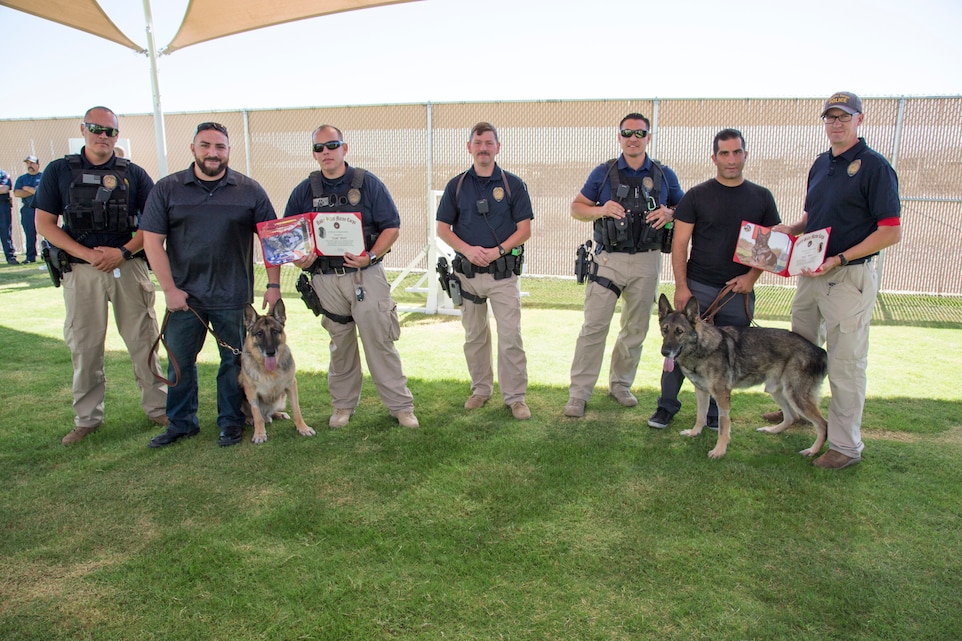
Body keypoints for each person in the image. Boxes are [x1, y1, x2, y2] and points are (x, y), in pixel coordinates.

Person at [773, 92, 901, 470]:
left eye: (844, 117)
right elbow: (814, 217)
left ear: (859, 120)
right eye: (830, 117)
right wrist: (791, 229)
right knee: (798, 353)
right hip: (813, 276)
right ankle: (799, 411)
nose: (836, 123)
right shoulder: (821, 164)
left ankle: (845, 447)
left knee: (845, 364)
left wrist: (840, 258)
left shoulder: (874, 167)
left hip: (847, 276)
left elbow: (890, 231)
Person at [140, 122, 283, 448]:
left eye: (220, 147)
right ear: (193, 148)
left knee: (233, 363)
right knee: (180, 362)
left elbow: (272, 239)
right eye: (205, 146)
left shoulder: (249, 190)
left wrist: (273, 285)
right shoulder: (167, 189)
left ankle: (230, 423)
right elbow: (152, 243)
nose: (212, 153)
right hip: (184, 298)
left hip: (234, 297)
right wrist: (169, 290)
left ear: (228, 151)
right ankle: (181, 423)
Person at [33, 106, 167, 444]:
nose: (102, 135)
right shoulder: (58, 171)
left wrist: (121, 252)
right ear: (83, 129)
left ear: (117, 135)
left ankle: (159, 409)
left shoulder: (133, 174)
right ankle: (87, 418)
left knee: (144, 341)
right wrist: (89, 255)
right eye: (96, 128)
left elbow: (154, 225)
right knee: (85, 345)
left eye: (109, 131)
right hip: (82, 271)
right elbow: (44, 223)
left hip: (129, 266)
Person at [285, 125, 419, 429]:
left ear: (345, 148)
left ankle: (401, 407)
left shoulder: (367, 183)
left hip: (364, 275)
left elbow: (392, 227)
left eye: (332, 145)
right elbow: (291, 236)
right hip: (324, 279)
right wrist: (300, 258)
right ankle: (343, 406)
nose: (326, 152)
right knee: (340, 345)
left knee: (380, 341)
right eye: (319, 148)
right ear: (314, 154)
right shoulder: (303, 191)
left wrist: (370, 256)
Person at [649, 128, 781, 430]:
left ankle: (712, 416)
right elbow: (680, 244)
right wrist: (682, 286)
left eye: (737, 153)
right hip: (698, 289)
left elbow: (771, 247)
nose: (731, 159)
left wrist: (751, 278)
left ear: (745, 155)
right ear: (714, 157)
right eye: (724, 153)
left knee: (726, 359)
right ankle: (666, 408)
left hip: (738, 292)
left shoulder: (761, 197)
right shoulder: (697, 195)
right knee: (678, 348)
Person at [564, 113, 683, 418]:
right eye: (627, 133)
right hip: (608, 260)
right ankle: (579, 393)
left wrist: (670, 213)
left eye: (639, 133)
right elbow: (577, 208)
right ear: (619, 137)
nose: (633, 138)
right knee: (594, 327)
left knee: (635, 328)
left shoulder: (664, 174)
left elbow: (686, 209)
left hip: (647, 259)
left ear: (648, 137)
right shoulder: (603, 173)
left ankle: (620, 384)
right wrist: (601, 208)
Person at [436, 122, 534, 420]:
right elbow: (442, 228)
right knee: (475, 336)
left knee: (510, 337)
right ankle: (481, 390)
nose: (483, 148)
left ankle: (515, 397)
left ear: (497, 148)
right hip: (468, 276)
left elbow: (525, 229)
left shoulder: (513, 185)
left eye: (489, 143)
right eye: (478, 143)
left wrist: (498, 250)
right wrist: (467, 249)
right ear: (469, 147)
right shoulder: (457, 186)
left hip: (503, 275)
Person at [14, 155, 43, 264]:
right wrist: (33, 190)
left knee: (48, 232)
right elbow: (17, 193)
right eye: (28, 163)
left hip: (41, 209)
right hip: (28, 209)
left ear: (37, 164)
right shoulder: (22, 179)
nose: (29, 165)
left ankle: (50, 254)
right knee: (29, 233)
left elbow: (42, 192)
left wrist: (27, 189)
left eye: (32, 163)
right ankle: (30, 257)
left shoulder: (43, 176)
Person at [0, 166, 15, 265]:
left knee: (5, 232)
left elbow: (4, 189)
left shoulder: (3, 174)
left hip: (2, 205)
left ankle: (10, 257)